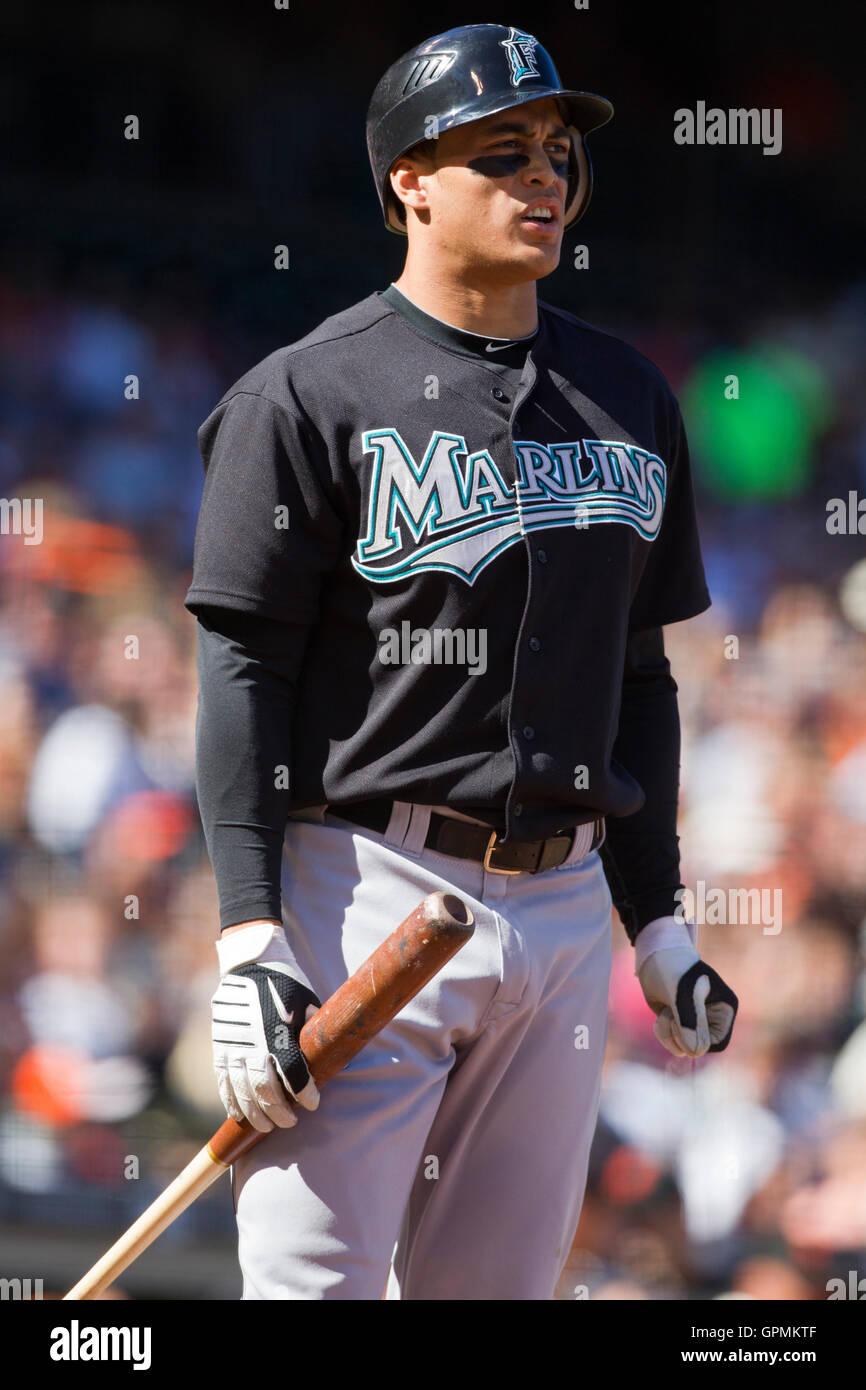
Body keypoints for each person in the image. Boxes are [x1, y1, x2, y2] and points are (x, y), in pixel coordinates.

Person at [185, 23, 737, 1301]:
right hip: (364, 885)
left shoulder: (628, 395)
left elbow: (636, 679)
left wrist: (653, 922)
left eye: (557, 154)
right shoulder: (302, 395)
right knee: (312, 1290)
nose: (544, 177)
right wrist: (249, 933)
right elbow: (241, 673)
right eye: (503, 153)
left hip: (559, 901)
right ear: (410, 182)